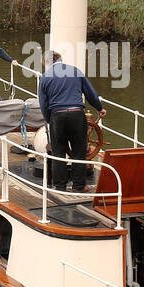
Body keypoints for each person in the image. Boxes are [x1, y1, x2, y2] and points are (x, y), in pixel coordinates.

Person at [38, 51, 105, 192]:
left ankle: (60, 186)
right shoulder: (75, 71)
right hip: (77, 115)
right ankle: (79, 186)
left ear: (48, 62)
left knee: (58, 152)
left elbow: (43, 103)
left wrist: (49, 119)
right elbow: (90, 93)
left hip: (57, 116)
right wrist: (99, 108)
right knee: (79, 151)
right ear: (60, 60)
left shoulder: (45, 78)